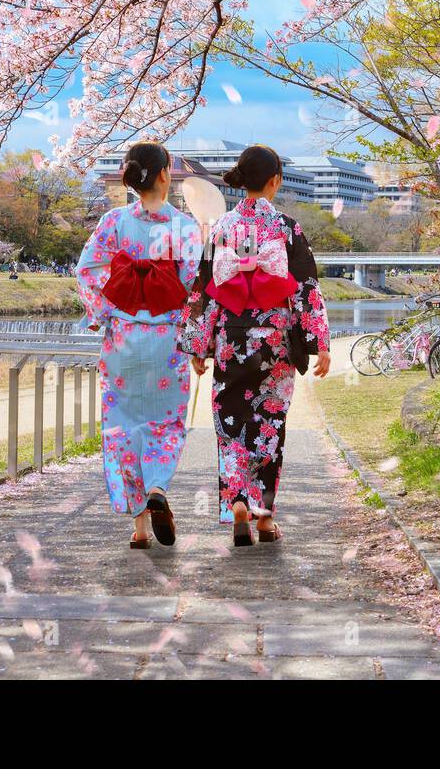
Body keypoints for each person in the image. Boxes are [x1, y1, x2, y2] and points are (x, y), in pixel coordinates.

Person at [180, 144, 331, 546]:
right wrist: (321, 343)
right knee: (270, 424)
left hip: (232, 337)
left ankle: (237, 504)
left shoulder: (221, 228)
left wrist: (199, 345)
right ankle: (263, 517)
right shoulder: (287, 228)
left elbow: (204, 290)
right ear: (275, 181)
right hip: (275, 341)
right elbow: (306, 289)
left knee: (231, 423)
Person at [76, 141, 202, 549]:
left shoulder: (113, 222)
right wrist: (194, 340)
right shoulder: (184, 227)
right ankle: (159, 488)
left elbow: (89, 270)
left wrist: (105, 314)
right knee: (165, 425)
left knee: (121, 429)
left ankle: (140, 529)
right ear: (166, 175)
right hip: (166, 341)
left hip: (123, 342)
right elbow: (195, 289)